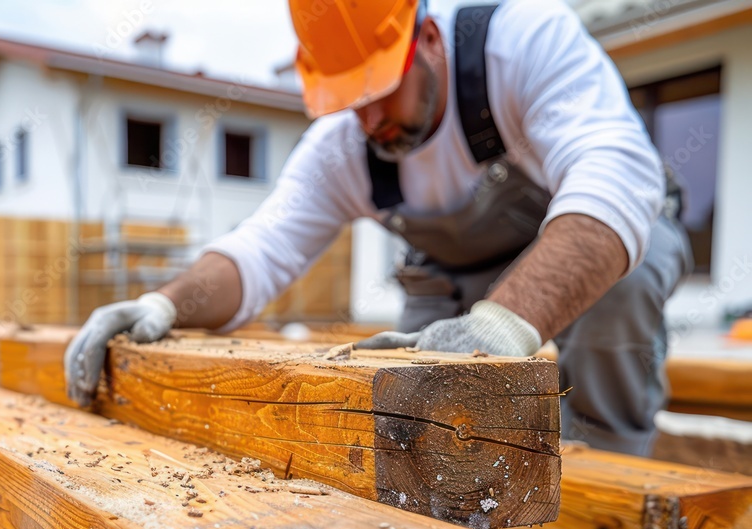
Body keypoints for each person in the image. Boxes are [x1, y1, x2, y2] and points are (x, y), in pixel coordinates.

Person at [64, 0, 691, 456]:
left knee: (624, 282)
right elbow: (260, 251)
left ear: (427, 39)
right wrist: (165, 303)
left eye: (380, 90)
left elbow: (617, 180)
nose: (368, 118)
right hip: (458, 282)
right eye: (349, 98)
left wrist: (500, 325)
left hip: (585, 262)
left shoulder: (523, 44)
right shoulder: (342, 147)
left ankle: (610, 469)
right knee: (418, 425)